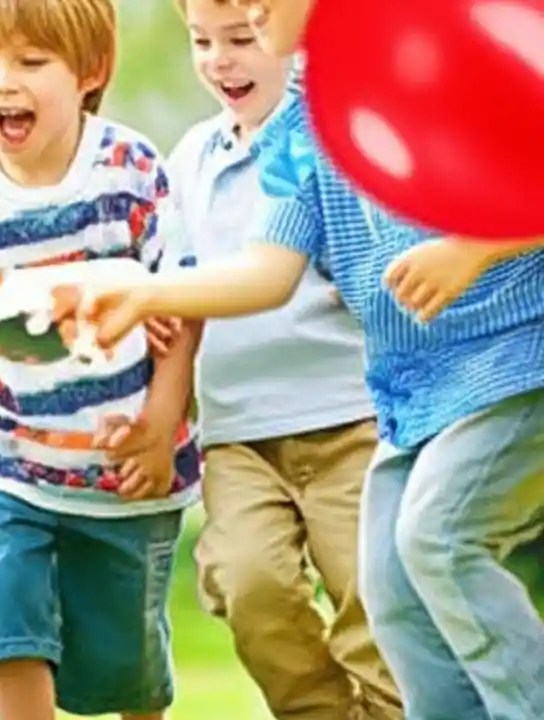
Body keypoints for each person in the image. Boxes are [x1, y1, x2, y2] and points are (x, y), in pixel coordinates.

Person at [74, 1, 544, 717]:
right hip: (417, 394)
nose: (246, 12)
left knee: (438, 540)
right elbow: (267, 273)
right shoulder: (301, 128)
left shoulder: (429, 48)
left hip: (518, 359)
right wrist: (143, 293)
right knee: (391, 587)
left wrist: (470, 247)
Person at [0, 1, 201, 718]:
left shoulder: (128, 172)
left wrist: (161, 423)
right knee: (4, 622)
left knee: (127, 666)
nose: (2, 82)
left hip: (121, 461)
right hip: (2, 450)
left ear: (89, 71)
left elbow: (182, 308)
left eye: (31, 63)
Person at [162, 1, 402, 717]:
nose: (219, 59)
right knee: (247, 582)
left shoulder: (324, 139)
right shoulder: (191, 160)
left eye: (240, 39)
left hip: (347, 420)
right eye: (202, 41)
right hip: (239, 433)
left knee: (372, 598)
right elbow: (178, 298)